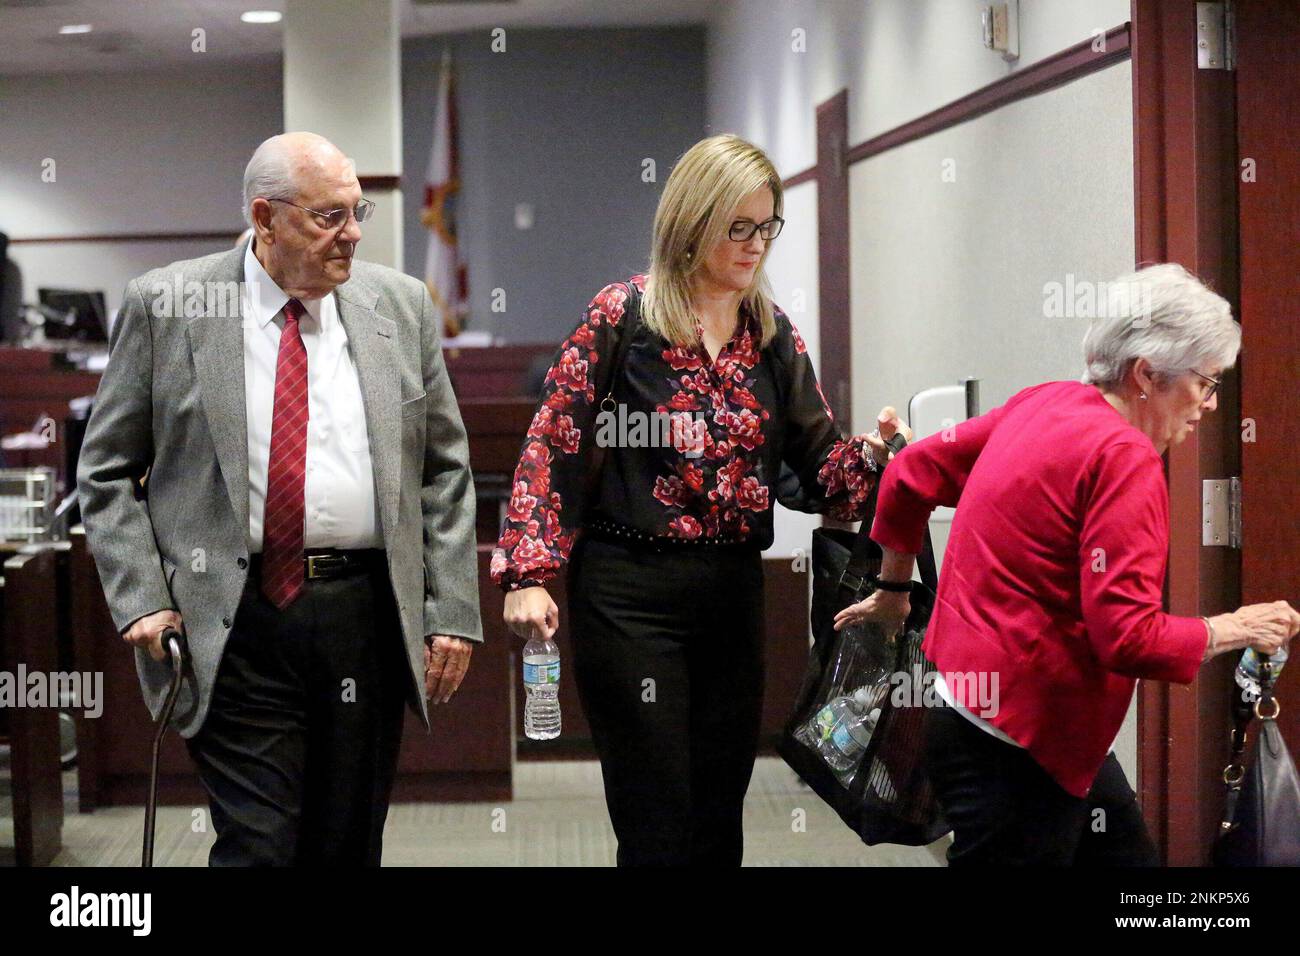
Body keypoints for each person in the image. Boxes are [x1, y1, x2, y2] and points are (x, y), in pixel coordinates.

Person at [492, 133, 908, 865]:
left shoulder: (773, 339)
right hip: (628, 591)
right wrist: (528, 572)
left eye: (767, 226)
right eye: (737, 226)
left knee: (719, 813)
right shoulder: (623, 317)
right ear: (692, 223)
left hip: (730, 593)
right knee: (657, 817)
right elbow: (550, 444)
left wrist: (880, 456)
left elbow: (819, 473)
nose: (755, 245)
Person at [77, 132, 482, 865]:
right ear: (265, 218)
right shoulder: (169, 305)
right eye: (329, 217)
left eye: (356, 210)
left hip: (365, 615)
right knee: (261, 846)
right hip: (234, 621)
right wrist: (140, 596)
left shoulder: (399, 306)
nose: (353, 232)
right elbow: (104, 471)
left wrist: (450, 607)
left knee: (345, 842)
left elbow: (445, 468)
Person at [836, 263, 1300, 865]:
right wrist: (1234, 627)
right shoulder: (1125, 459)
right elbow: (1128, 638)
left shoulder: (1047, 401)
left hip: (974, 714)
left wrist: (895, 590)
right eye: (1207, 383)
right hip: (1018, 746)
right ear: (1145, 374)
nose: (1211, 404)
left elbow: (908, 471)